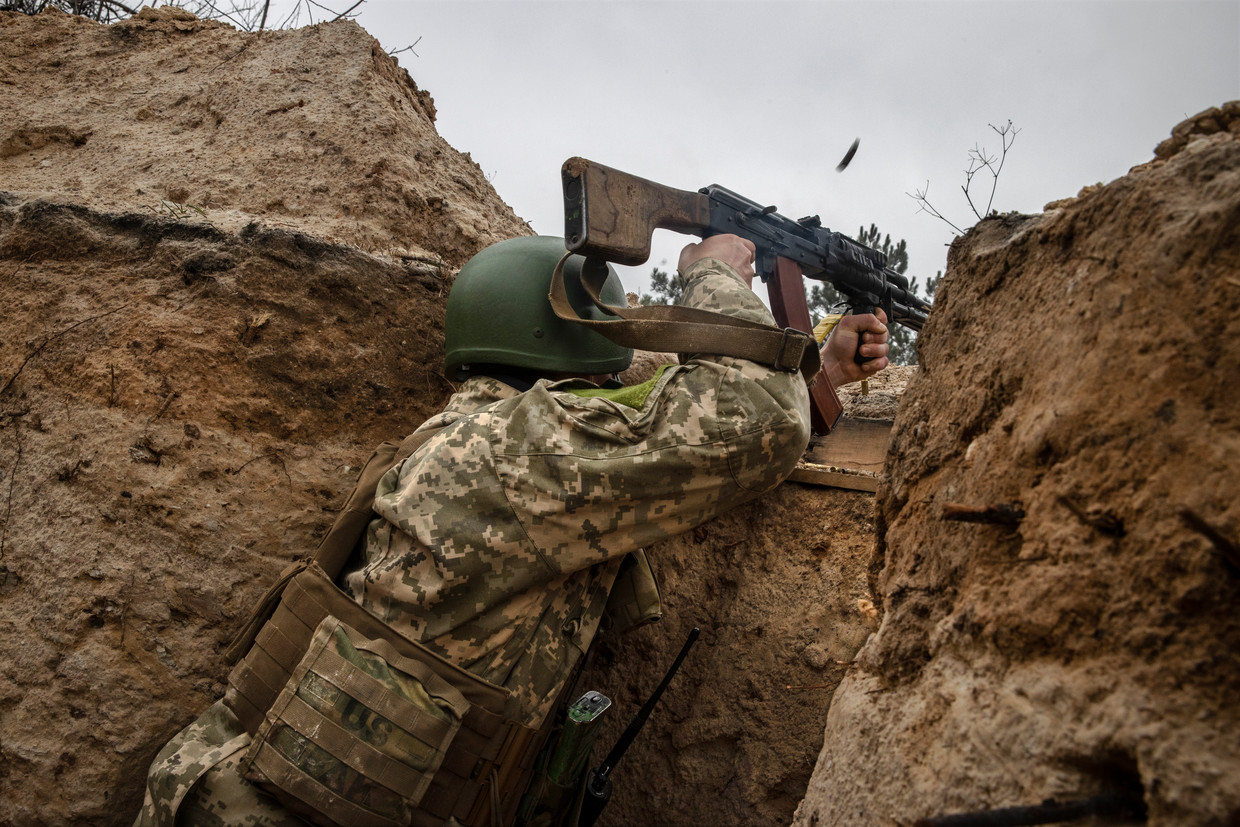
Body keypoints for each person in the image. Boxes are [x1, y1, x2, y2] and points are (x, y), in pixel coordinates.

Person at [133, 233, 889, 827]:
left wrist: (820, 370)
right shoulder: (515, 453)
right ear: (581, 350)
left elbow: (674, 425)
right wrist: (714, 273)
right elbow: (749, 422)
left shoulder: (478, 436)